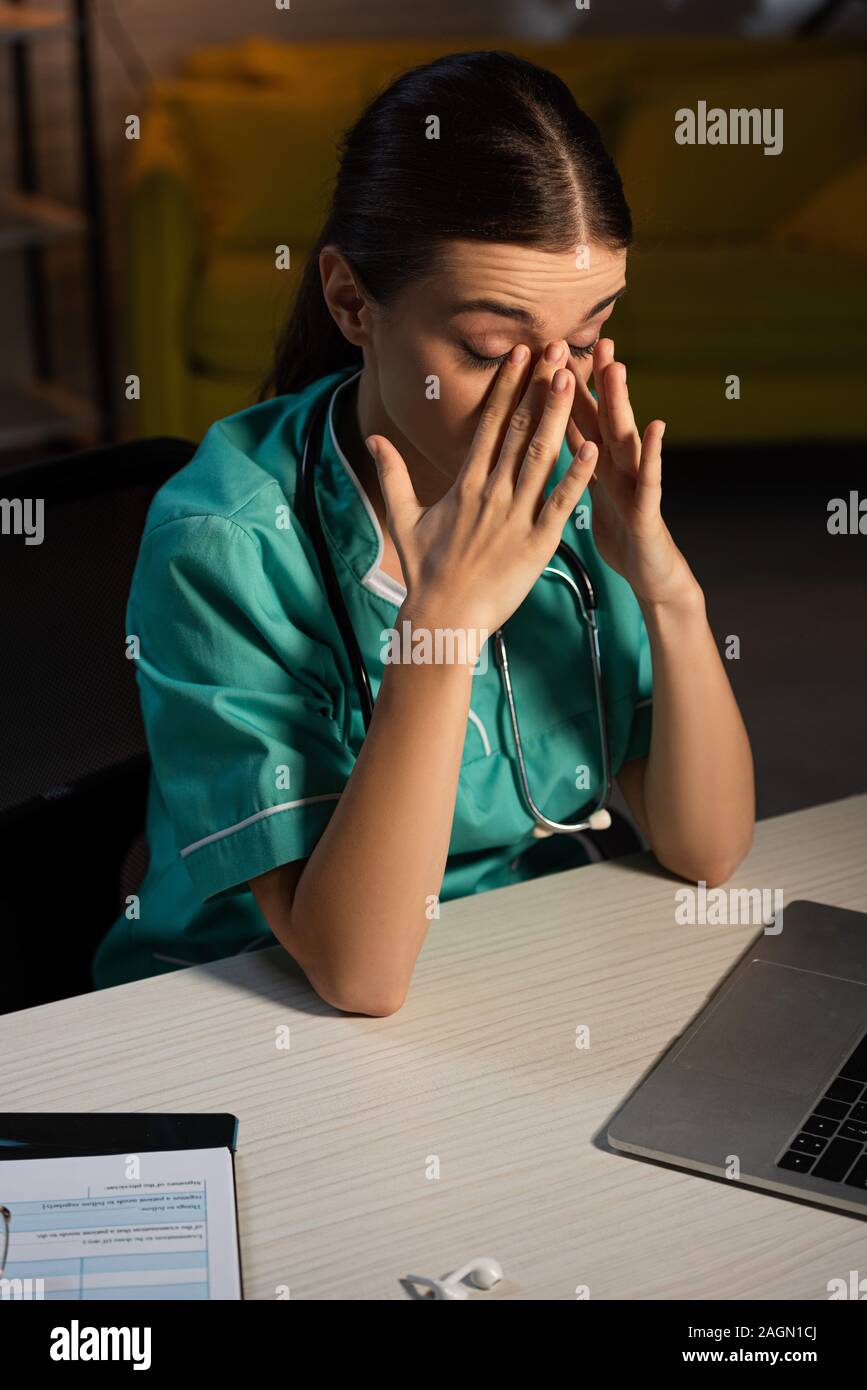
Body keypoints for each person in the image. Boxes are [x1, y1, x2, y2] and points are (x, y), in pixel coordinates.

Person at [92, 50, 755, 1012]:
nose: (551, 391)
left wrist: (665, 587)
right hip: (245, 1002)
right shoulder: (225, 541)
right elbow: (356, 975)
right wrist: (442, 622)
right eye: (492, 349)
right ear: (353, 302)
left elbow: (707, 846)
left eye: (584, 337)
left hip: (507, 968)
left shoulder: (574, 487)